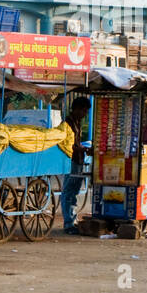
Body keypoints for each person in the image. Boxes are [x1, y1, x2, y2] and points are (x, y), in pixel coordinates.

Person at [62, 96, 92, 234]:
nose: (85, 114)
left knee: (74, 192)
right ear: (76, 109)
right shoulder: (67, 124)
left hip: (78, 160)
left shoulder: (77, 123)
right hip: (72, 161)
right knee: (69, 193)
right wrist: (83, 149)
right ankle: (68, 223)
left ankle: (72, 221)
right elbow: (68, 145)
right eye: (84, 110)